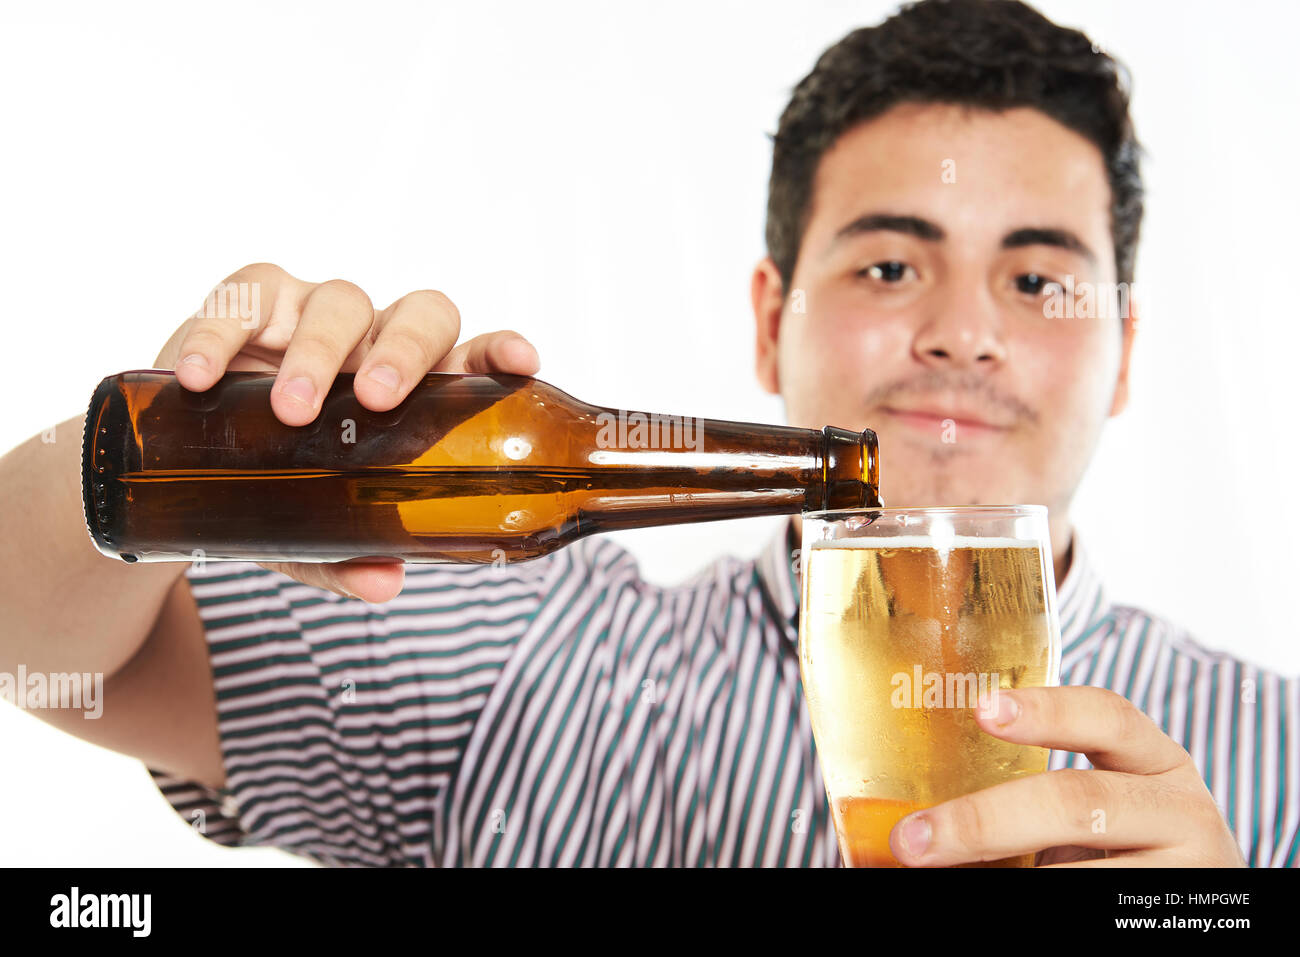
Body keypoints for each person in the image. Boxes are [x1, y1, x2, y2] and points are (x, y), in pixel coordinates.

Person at [2, 0, 1293, 867]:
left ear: (1123, 351)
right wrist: (173, 445)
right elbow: (34, 647)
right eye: (891, 268)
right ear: (770, 319)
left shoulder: (1270, 755)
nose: (960, 332)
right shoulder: (521, 658)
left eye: (1035, 278)